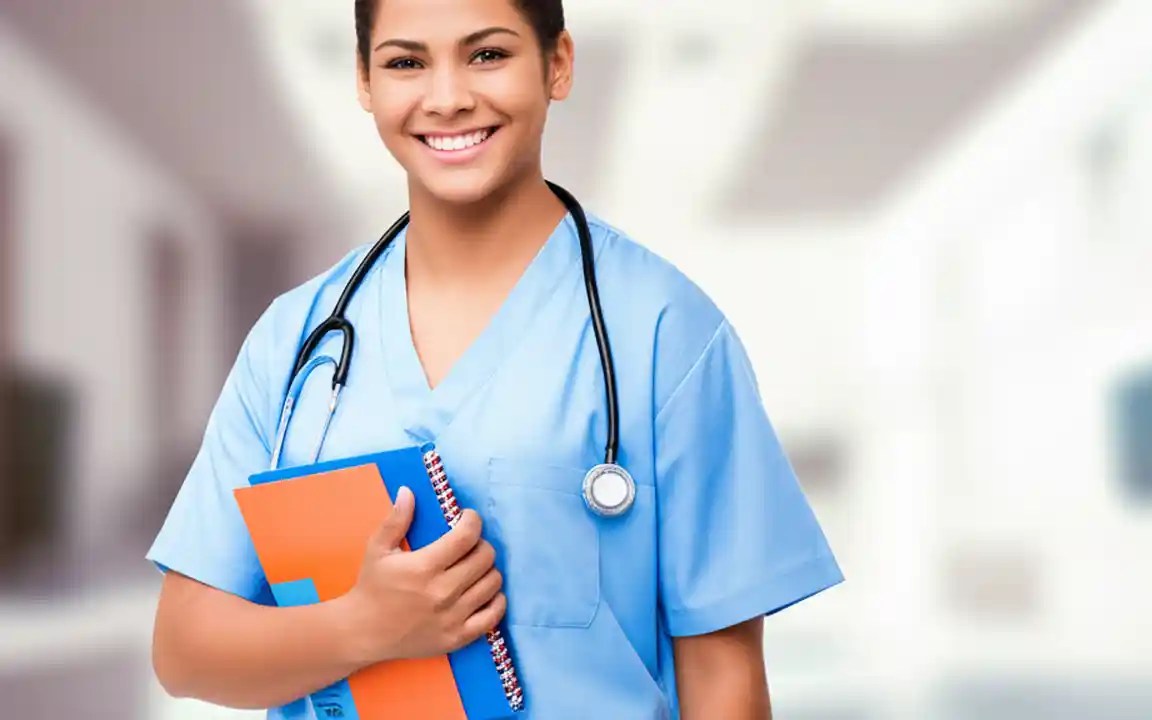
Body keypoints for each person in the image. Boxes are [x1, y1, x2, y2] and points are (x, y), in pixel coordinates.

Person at [146, 0, 843, 717]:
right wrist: (363, 626)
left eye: (487, 55)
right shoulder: (295, 340)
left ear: (558, 63)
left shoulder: (664, 332)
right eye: (405, 62)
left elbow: (724, 682)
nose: (447, 98)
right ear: (363, 81)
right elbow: (185, 650)